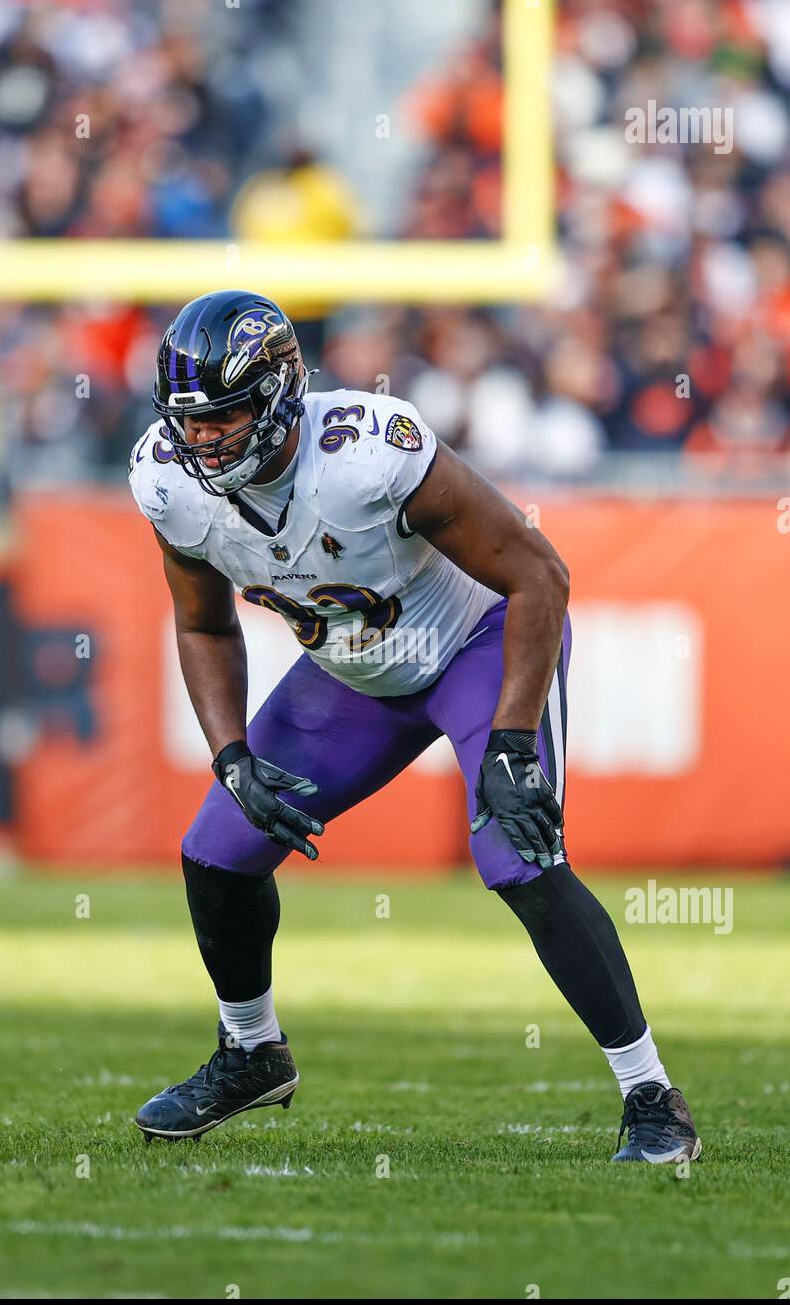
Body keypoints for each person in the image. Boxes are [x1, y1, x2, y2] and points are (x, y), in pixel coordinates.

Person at [128, 290, 701, 1163]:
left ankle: (652, 1093)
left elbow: (539, 576)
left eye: (224, 417)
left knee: (518, 857)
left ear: (280, 393)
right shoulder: (170, 485)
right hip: (353, 672)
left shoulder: (364, 453)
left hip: (476, 644)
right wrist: (231, 754)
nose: (200, 441)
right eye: (188, 423)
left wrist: (511, 740)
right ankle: (251, 1052)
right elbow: (205, 624)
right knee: (216, 850)